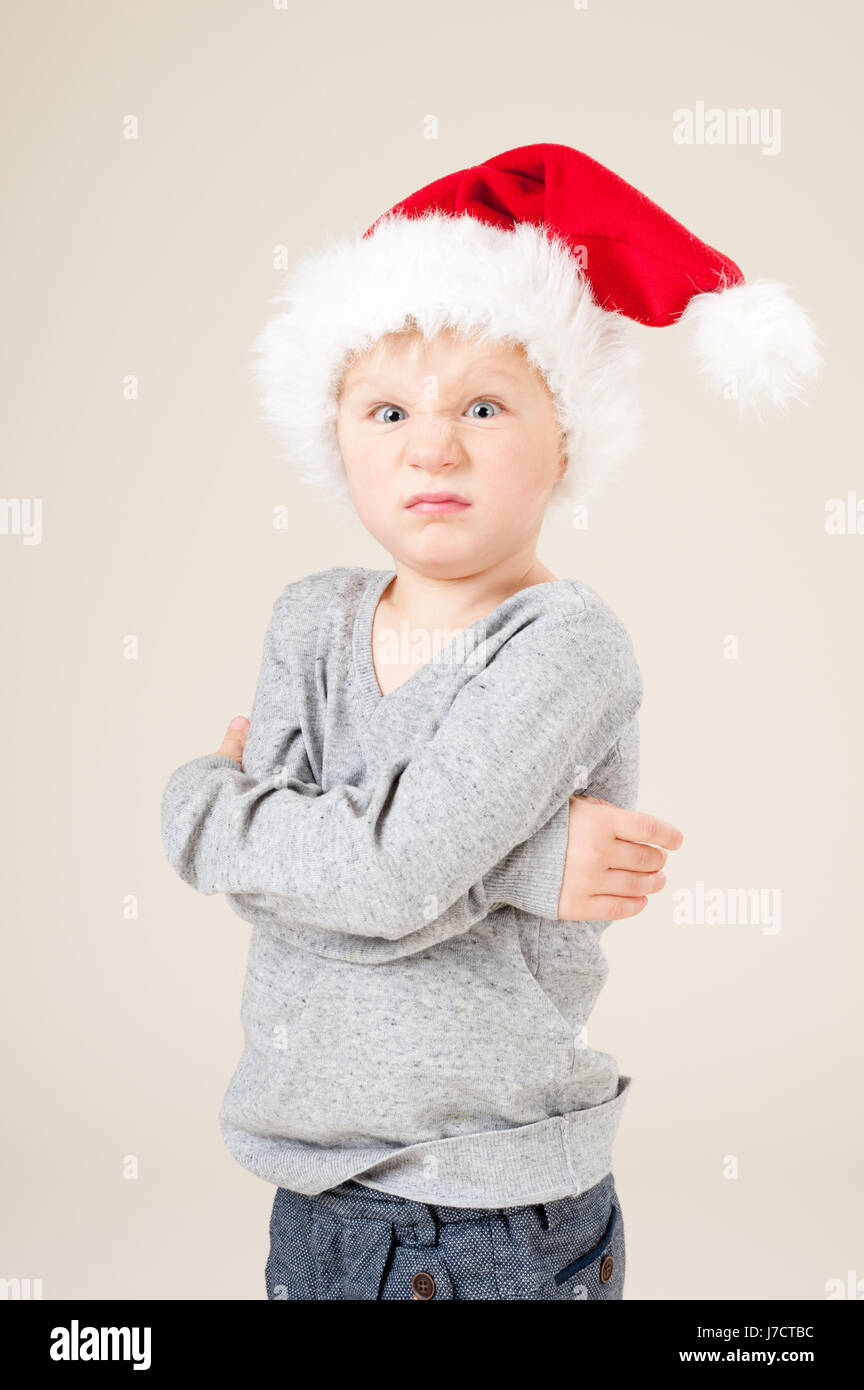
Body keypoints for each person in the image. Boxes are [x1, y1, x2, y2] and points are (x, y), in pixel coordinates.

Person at [160, 143, 819, 1300]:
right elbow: (361, 870)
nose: (432, 444)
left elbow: (385, 877)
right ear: (336, 435)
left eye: (482, 404)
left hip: (488, 1211)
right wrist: (525, 862)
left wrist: (214, 812)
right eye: (388, 408)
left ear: (567, 436)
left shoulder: (561, 643)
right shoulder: (310, 622)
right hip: (312, 1192)